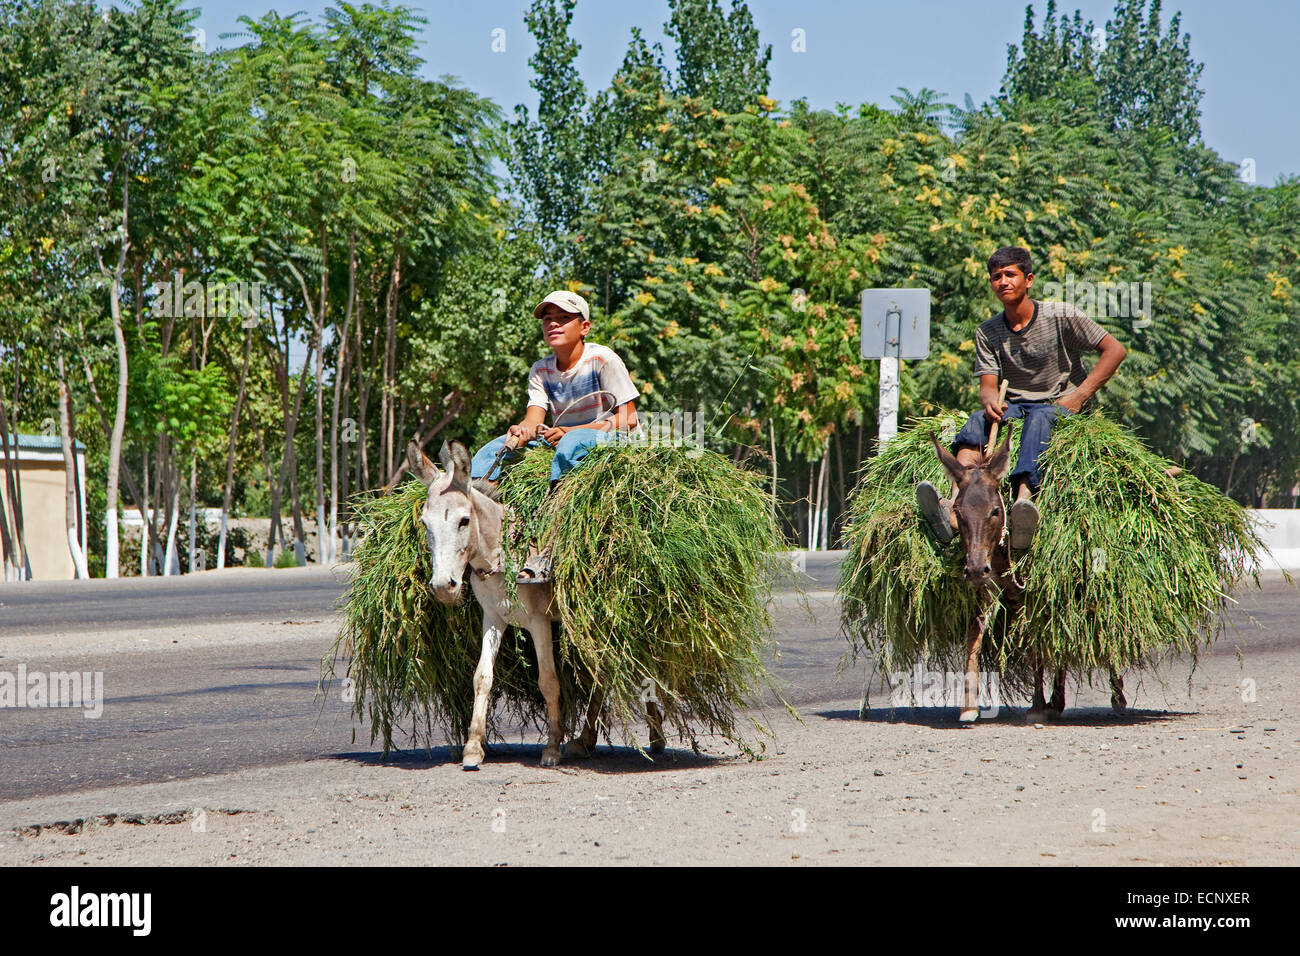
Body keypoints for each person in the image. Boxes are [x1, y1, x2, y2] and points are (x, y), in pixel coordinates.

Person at [917, 246, 1127, 549]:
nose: (1003, 282)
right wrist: (989, 399)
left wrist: (1079, 395)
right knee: (977, 420)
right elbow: (988, 385)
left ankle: (1022, 505)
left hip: (1059, 404)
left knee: (1040, 417)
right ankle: (953, 506)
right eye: (995, 277)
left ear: (1028, 280)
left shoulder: (1060, 315)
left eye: (1010, 275)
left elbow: (1115, 350)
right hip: (1015, 406)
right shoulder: (988, 331)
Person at [469, 289, 639, 582]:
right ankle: (476, 515)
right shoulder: (541, 369)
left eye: (563, 318)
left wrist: (573, 431)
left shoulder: (602, 359)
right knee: (491, 449)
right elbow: (535, 419)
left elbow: (629, 418)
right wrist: (522, 432)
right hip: (562, 438)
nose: (553, 325)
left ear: (584, 327)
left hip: (610, 438)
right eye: (547, 319)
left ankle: (548, 545)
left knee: (572, 442)